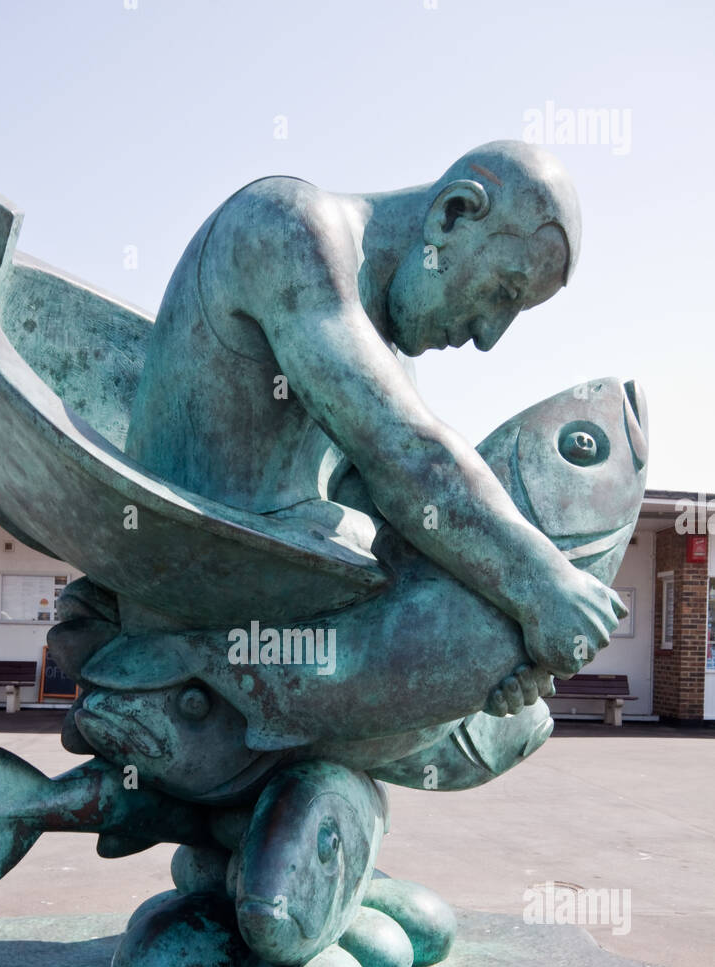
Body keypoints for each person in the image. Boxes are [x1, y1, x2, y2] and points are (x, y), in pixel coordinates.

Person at [125, 139, 625, 708]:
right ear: (453, 213)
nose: (489, 336)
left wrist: (512, 647)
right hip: (191, 604)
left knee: (515, 703)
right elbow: (407, 458)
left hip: (284, 609)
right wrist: (543, 584)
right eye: (503, 293)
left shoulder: (387, 354)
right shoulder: (286, 228)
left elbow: (407, 528)